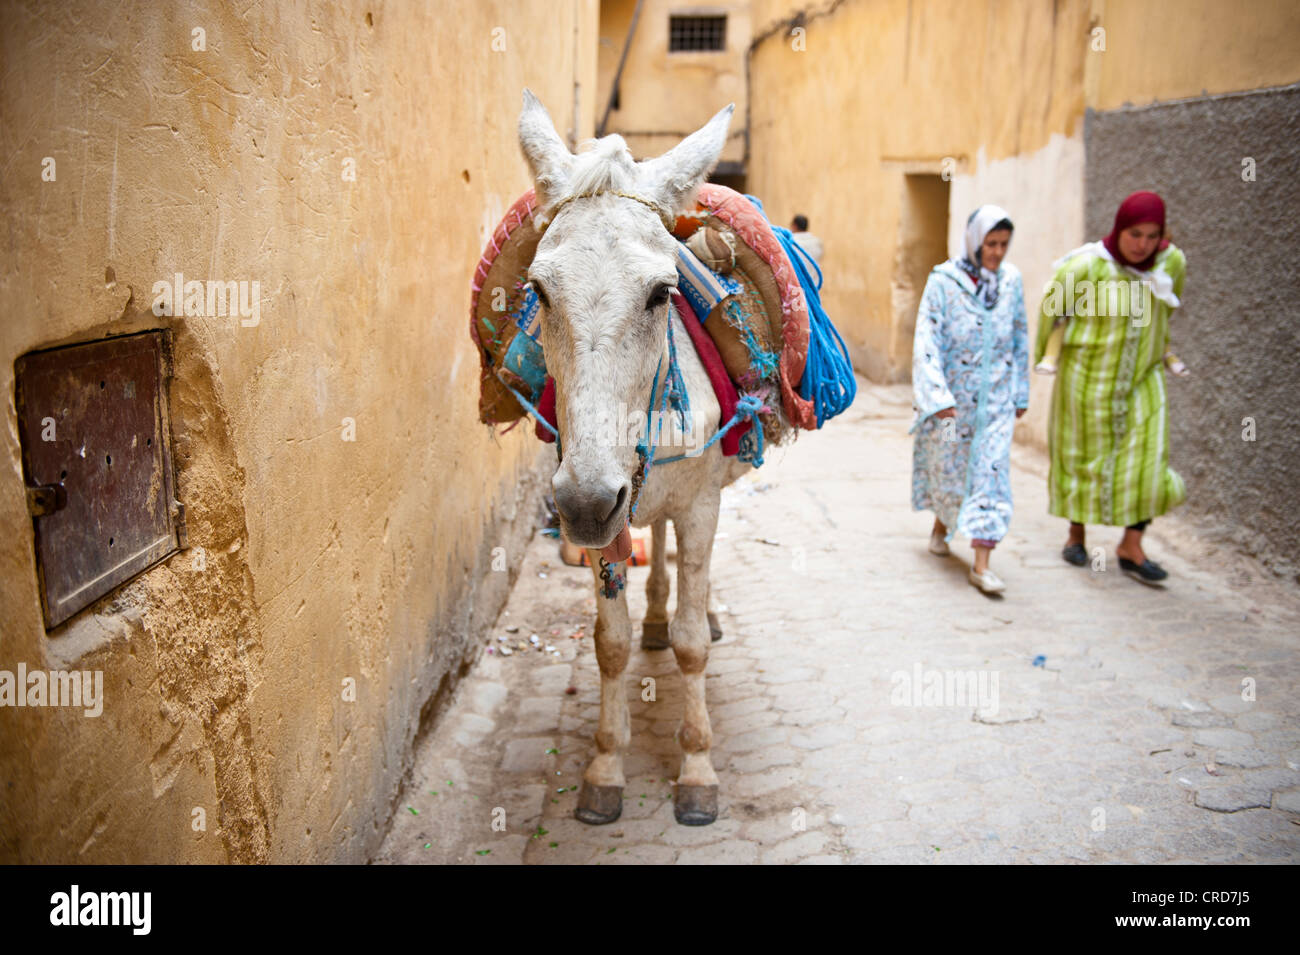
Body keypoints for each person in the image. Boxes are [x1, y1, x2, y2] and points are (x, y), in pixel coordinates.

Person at [1034, 190, 1187, 585]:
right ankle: (1076, 534)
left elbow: (1169, 308)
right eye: (1135, 234)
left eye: (1152, 236)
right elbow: (1052, 316)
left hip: (1143, 381)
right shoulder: (1084, 268)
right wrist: (1043, 359)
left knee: (1148, 463)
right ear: (1119, 229)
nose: (1142, 245)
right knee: (1081, 460)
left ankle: (1131, 545)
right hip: (1086, 383)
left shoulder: (1171, 263)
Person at [911, 205, 1028, 595]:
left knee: (990, 475)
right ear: (975, 240)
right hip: (950, 405)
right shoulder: (944, 282)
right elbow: (927, 338)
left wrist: (1020, 392)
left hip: (996, 404)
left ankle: (981, 563)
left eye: (1003, 245)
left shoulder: (1010, 282)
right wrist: (937, 395)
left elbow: (1019, 336)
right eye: (990, 243)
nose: (996, 252)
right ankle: (941, 526)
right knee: (948, 466)